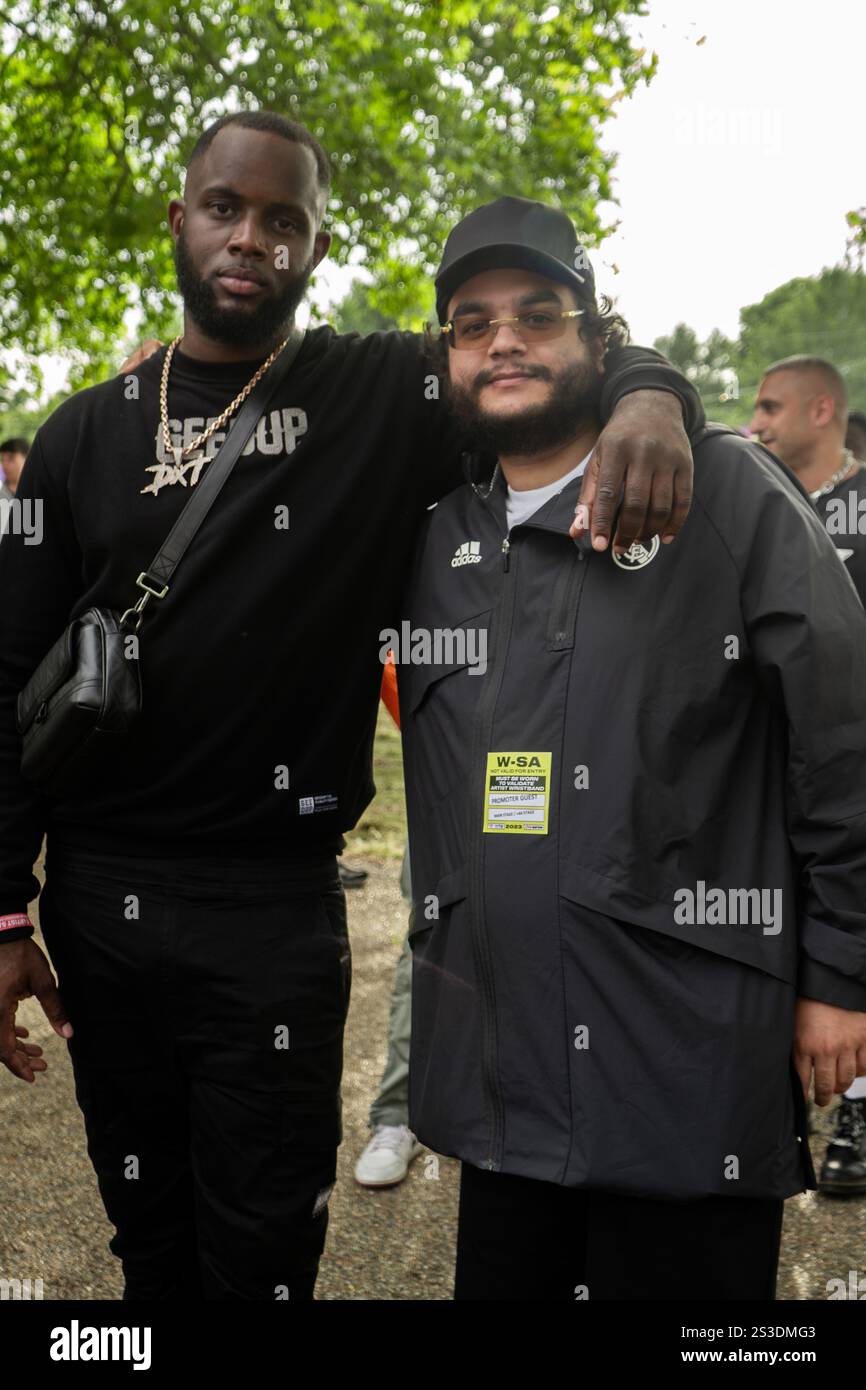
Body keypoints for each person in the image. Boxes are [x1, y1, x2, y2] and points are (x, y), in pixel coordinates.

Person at [0, 113, 703, 1302]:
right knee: (146, 1241)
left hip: (272, 911)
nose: (250, 239)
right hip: (100, 901)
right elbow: (9, 673)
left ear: (315, 250)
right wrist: (6, 917)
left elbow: (536, 351)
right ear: (180, 221)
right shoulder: (80, 433)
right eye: (226, 207)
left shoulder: (376, 394)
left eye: (285, 221)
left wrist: (651, 401)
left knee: (265, 1249)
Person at [396, 197, 866, 1301]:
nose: (503, 338)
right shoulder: (432, 535)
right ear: (447, 360)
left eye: (538, 314)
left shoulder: (728, 495)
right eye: (471, 323)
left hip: (681, 1084)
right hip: (499, 1083)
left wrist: (840, 973)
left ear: (598, 342)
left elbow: (842, 742)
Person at [751, 357, 866, 1194]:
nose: (754, 422)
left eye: (770, 406)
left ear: (823, 409)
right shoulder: (759, 506)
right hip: (786, 773)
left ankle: (857, 1108)